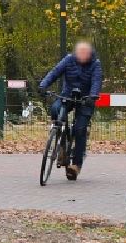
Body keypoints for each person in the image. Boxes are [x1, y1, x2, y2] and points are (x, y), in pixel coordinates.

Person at [39, 40, 104, 180]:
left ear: (89, 53)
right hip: (67, 95)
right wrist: (43, 85)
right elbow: (54, 72)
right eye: (79, 52)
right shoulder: (68, 60)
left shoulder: (95, 64)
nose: (82, 55)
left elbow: (96, 81)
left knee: (80, 130)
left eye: (85, 53)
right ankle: (61, 144)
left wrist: (93, 96)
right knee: (56, 109)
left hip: (86, 98)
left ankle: (75, 165)